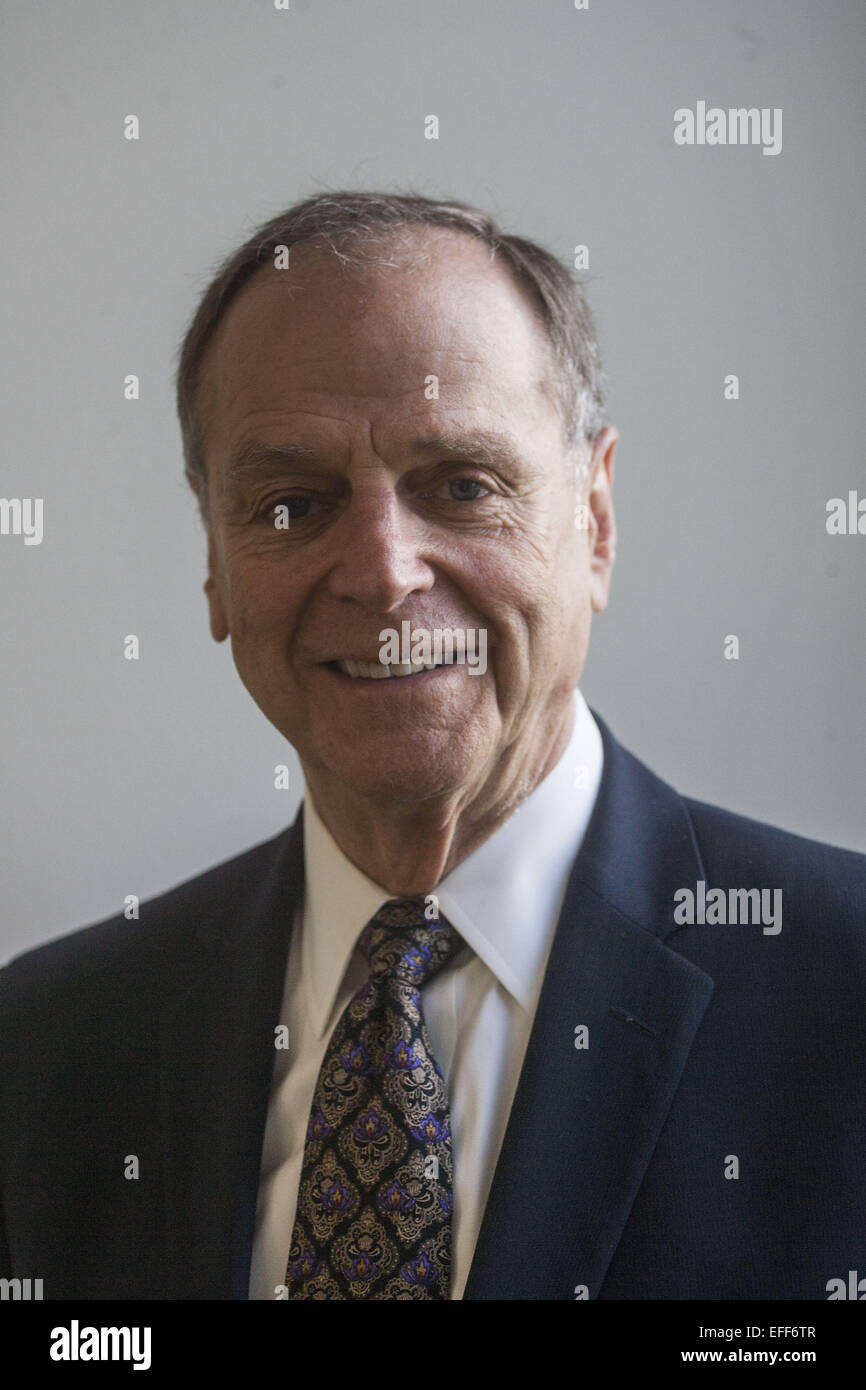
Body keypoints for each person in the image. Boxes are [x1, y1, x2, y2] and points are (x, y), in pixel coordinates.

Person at [2, 192, 864, 1301]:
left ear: (593, 522)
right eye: (290, 505)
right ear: (213, 556)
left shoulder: (841, 994)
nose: (381, 570)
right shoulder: (47, 1046)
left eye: (461, 486)